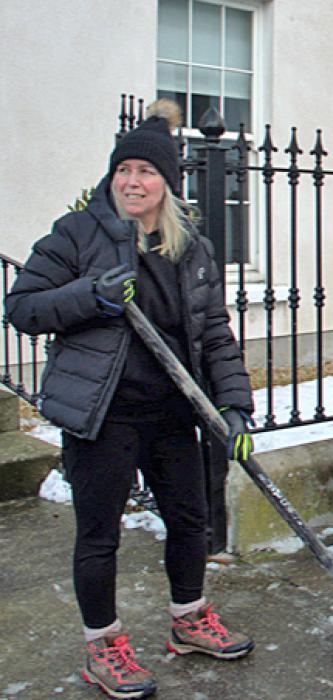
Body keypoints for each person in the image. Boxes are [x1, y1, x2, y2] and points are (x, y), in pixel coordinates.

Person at [5, 99, 256, 699]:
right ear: (112, 177)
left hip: (171, 411)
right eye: (124, 171)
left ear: (167, 183)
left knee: (190, 522)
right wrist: (92, 295)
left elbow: (213, 331)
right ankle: (104, 645)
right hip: (103, 412)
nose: (133, 182)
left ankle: (190, 619)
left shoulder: (188, 246)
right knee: (100, 535)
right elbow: (23, 307)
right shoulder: (78, 234)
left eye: (146, 173)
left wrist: (234, 405)